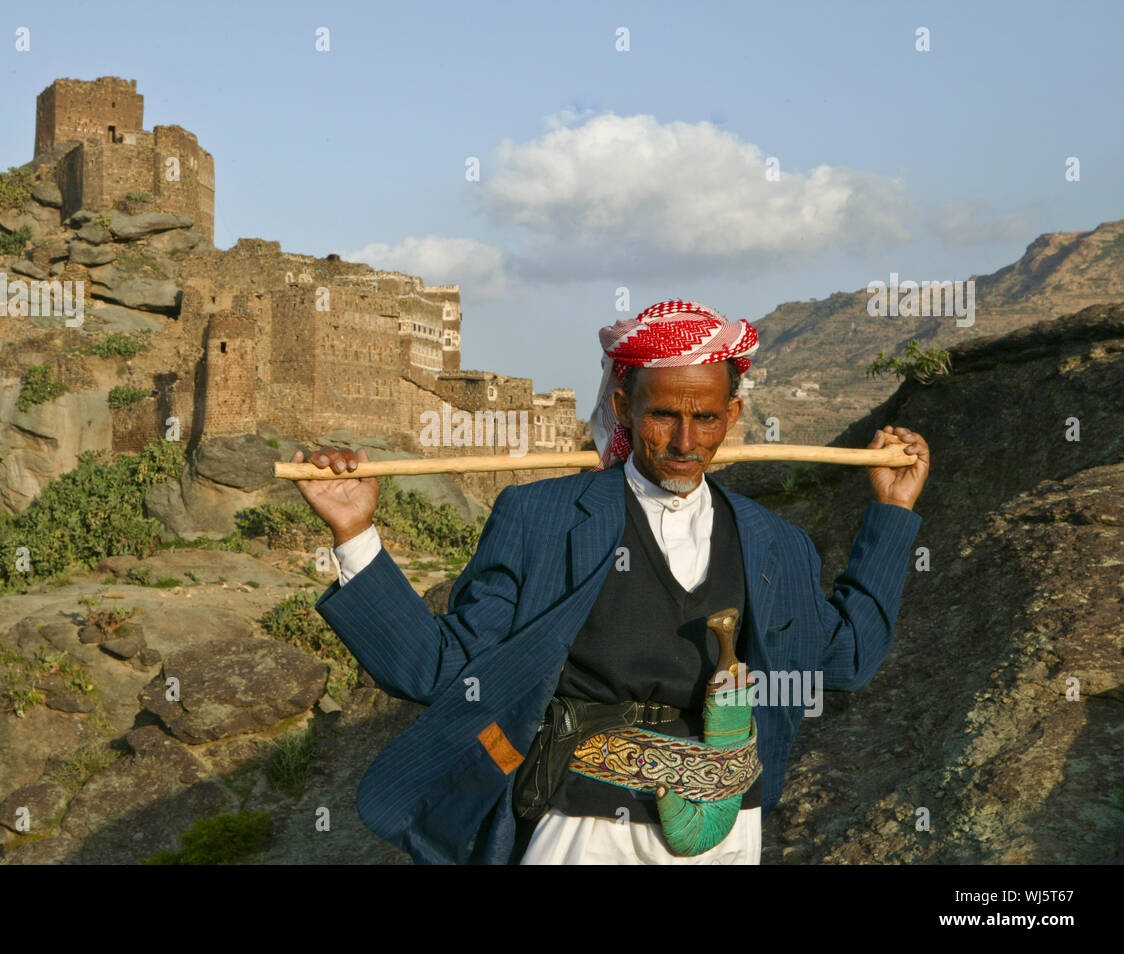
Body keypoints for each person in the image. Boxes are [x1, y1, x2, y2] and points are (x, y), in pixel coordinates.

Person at [294, 298, 929, 865]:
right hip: (585, 832)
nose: (685, 442)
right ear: (624, 406)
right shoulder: (543, 520)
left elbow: (846, 658)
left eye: (706, 418)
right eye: (663, 416)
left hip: (730, 834)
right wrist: (355, 531)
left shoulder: (775, 543)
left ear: (733, 413)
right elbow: (435, 668)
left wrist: (893, 514)